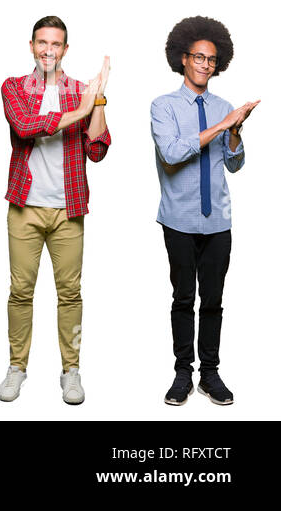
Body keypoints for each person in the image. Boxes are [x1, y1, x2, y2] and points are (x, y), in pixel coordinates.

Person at [0, 15, 110, 405]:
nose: (48, 50)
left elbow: (96, 149)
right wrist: (81, 109)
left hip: (68, 210)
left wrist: (97, 99)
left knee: (70, 294)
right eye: (42, 43)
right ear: (31, 46)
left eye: (56, 44)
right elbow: (27, 127)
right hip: (25, 208)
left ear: (65, 49)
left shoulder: (82, 90)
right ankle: (16, 367)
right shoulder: (14, 87)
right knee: (20, 292)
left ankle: (71, 370)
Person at [151, 16, 257, 406]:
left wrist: (234, 129)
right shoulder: (163, 106)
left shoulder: (224, 107)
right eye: (198, 57)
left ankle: (209, 373)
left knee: (213, 299)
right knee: (183, 298)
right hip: (178, 218)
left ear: (218, 63)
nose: (204, 64)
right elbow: (173, 153)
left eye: (211, 59)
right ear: (183, 59)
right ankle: (183, 373)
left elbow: (234, 164)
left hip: (218, 222)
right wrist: (221, 125)